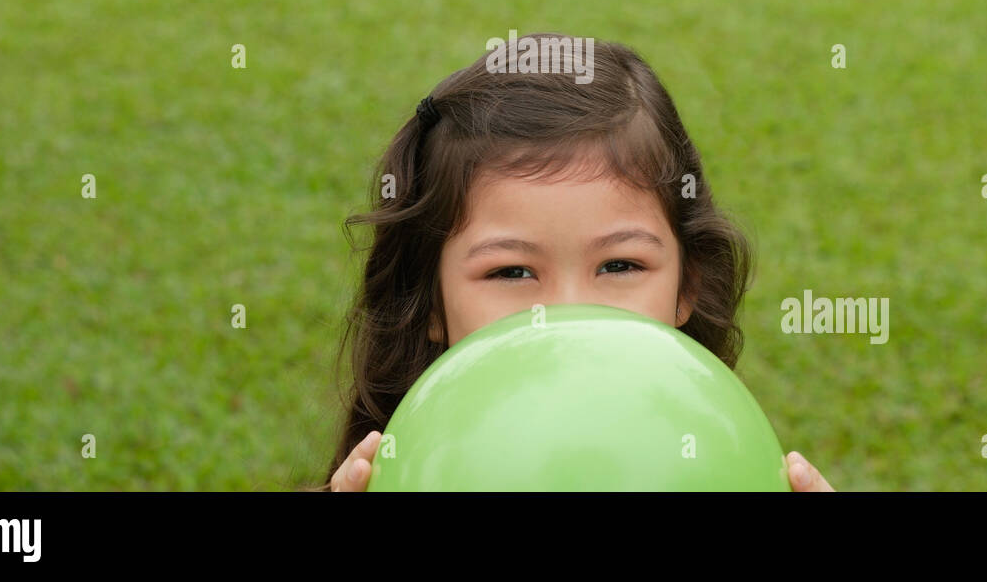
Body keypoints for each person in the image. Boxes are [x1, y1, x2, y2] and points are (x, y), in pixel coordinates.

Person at [327, 33, 834, 492]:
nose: (567, 317)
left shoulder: (714, 454)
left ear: (687, 286)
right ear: (431, 300)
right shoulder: (418, 469)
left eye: (619, 266)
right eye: (511, 272)